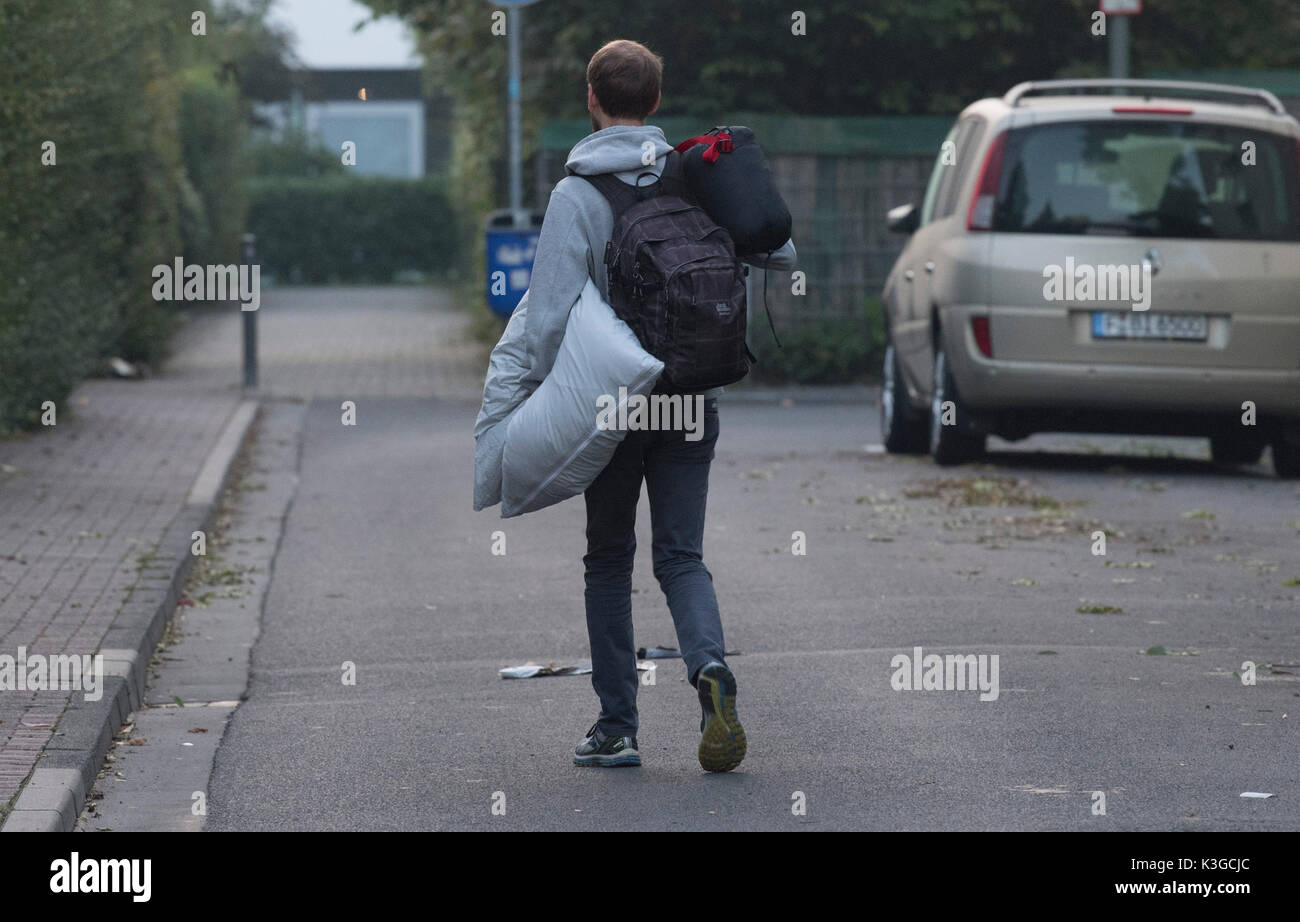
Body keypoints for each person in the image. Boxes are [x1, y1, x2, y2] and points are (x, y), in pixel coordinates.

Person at [522, 39, 795, 772]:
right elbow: (781, 253)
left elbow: (547, 316)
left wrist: (535, 398)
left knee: (609, 559)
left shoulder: (576, 193)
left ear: (591, 99)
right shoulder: (692, 173)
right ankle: (708, 669)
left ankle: (617, 728)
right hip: (691, 395)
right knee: (682, 557)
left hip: (616, 405)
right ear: (657, 103)